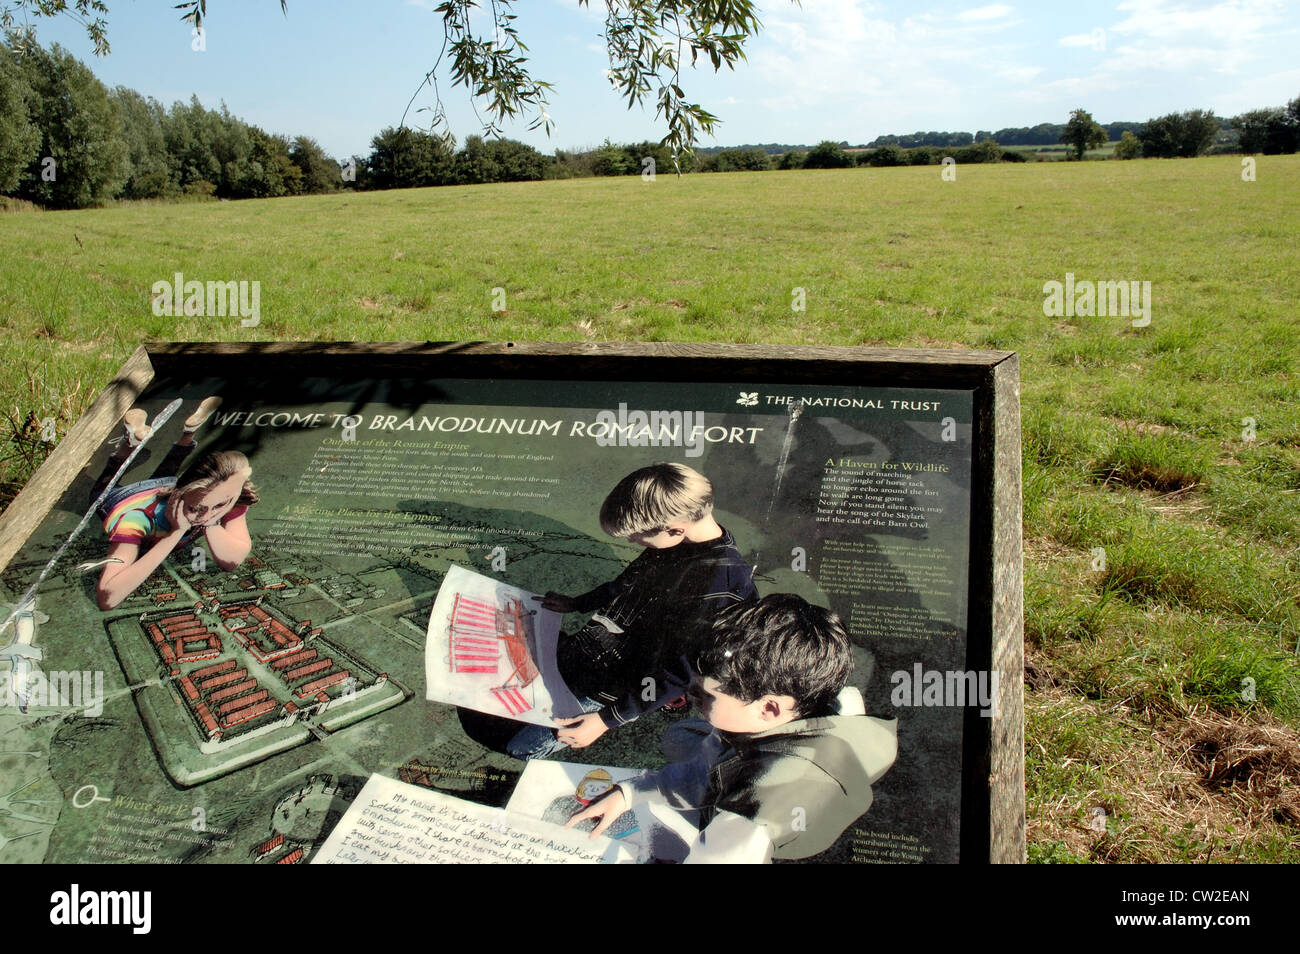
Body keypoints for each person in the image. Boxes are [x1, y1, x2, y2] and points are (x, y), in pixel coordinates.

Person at [566, 594, 898, 862]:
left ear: (768, 708)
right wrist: (631, 793)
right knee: (680, 738)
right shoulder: (797, 696)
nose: (688, 696)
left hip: (766, 817)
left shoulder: (753, 814)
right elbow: (703, 772)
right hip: (775, 769)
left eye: (703, 694)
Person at [509, 462, 757, 758]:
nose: (632, 541)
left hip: (619, 686)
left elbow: (678, 675)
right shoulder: (673, 541)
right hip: (601, 654)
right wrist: (577, 603)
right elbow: (625, 584)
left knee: (522, 747)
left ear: (675, 529)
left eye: (638, 536)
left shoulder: (720, 585)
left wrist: (603, 721)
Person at [92, 397, 258, 610]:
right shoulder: (137, 518)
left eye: (219, 506)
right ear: (178, 496)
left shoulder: (228, 495)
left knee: (166, 475)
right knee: (101, 490)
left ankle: (188, 434)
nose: (206, 516)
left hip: (168, 486)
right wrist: (175, 534)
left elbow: (233, 560)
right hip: (125, 498)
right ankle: (128, 446)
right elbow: (107, 597)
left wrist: (211, 519)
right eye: (196, 509)